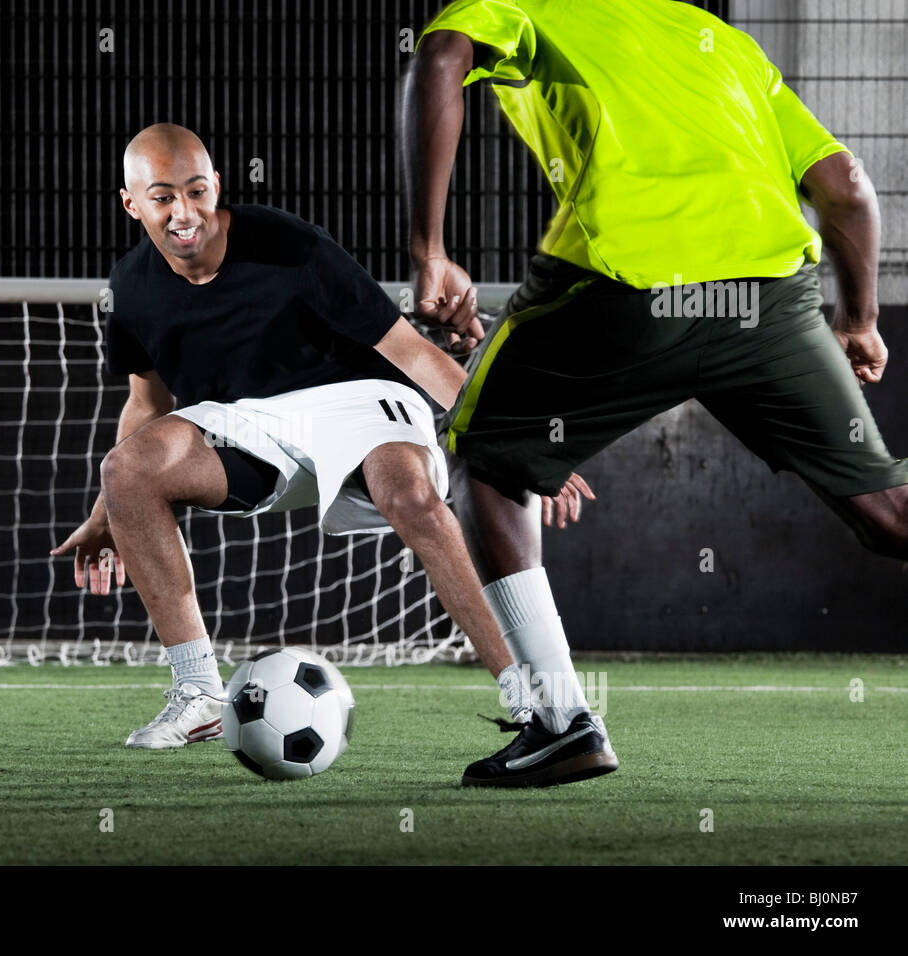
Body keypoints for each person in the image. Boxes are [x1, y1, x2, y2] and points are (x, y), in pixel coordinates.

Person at [401, 0, 908, 775]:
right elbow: (846, 182)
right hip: (769, 302)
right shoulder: (724, 44)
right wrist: (862, 318)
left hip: (626, 290)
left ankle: (562, 719)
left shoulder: (515, 9)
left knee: (492, 459)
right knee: (886, 514)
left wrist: (430, 248)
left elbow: (440, 58)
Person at [51, 123, 613, 787]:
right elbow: (147, 402)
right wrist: (105, 511)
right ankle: (199, 694)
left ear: (217, 187)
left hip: (354, 396)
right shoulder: (133, 287)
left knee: (413, 500)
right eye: (164, 197)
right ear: (131, 203)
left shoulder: (291, 247)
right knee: (126, 470)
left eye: (198, 192)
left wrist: (518, 444)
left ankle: (535, 705)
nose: (184, 213)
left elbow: (409, 350)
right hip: (245, 422)